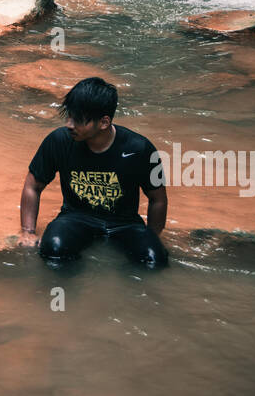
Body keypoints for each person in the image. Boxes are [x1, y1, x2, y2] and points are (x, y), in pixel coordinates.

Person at [17, 76, 169, 268]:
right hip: (75, 217)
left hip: (125, 223)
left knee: (154, 261)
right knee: (53, 251)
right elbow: (33, 185)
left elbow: (158, 199)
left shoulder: (139, 148)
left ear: (104, 122)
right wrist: (27, 232)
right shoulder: (59, 141)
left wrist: (153, 237)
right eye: (69, 116)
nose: (69, 125)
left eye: (78, 120)